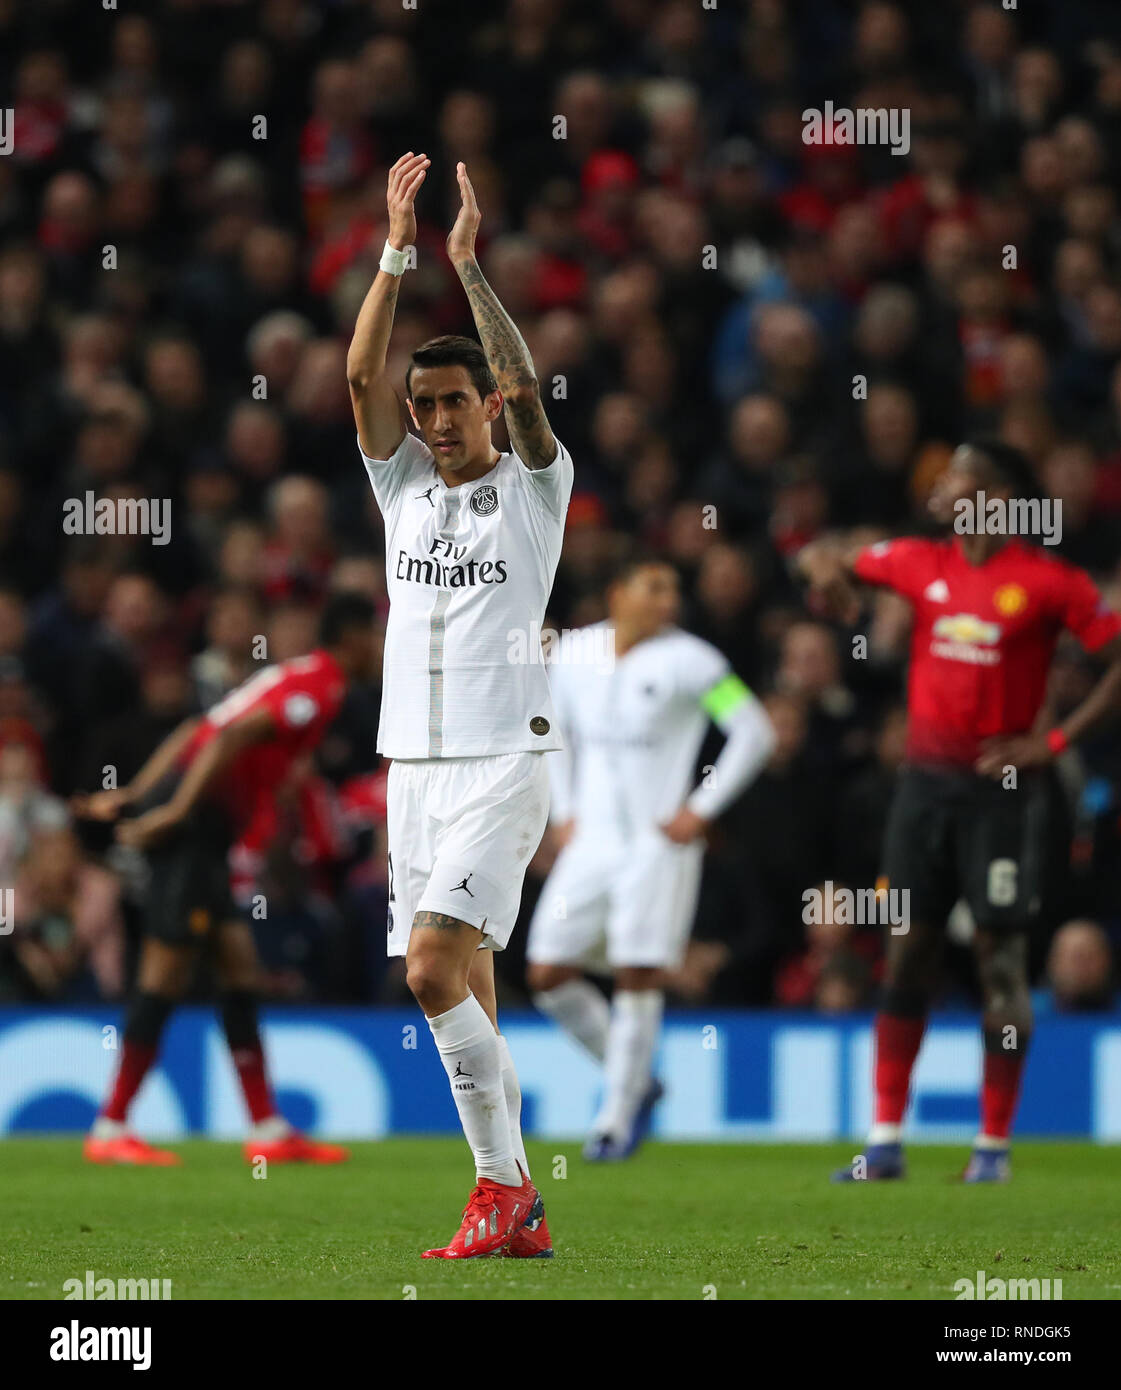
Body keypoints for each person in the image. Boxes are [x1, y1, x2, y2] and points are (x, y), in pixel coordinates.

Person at [346, 154, 572, 1257]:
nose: (436, 419)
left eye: (450, 401)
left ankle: (496, 1186)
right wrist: (392, 255)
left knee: (429, 972)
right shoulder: (398, 491)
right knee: (468, 988)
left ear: (479, 403)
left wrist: (465, 267)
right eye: (421, 404)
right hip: (412, 771)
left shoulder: (531, 491)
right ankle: (519, 1203)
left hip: (500, 759)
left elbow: (529, 396)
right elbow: (354, 384)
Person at [799, 438, 1121, 1182]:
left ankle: (993, 1147)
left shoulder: (1047, 583)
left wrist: (1054, 741)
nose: (940, 488)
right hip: (922, 792)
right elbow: (822, 556)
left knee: (999, 962)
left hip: (999, 797)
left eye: (957, 480)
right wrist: (828, 580)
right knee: (907, 951)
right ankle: (882, 1141)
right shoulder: (918, 562)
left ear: (998, 499)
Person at [73, 592, 378, 1166]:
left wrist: (138, 793)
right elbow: (228, 738)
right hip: (195, 832)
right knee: (165, 975)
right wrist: (174, 811)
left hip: (206, 833)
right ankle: (110, 1128)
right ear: (355, 638)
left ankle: (266, 1127)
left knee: (240, 970)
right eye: (377, 636)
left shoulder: (296, 675)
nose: (383, 649)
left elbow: (199, 724)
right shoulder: (320, 688)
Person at [525, 557, 775, 1158]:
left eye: (673, 589)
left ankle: (612, 1121)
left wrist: (701, 808)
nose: (667, 600)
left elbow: (755, 730)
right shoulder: (573, 653)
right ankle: (636, 1081)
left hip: (655, 846)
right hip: (590, 842)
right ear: (618, 591)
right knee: (547, 971)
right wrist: (564, 813)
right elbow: (550, 726)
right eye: (654, 587)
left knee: (638, 972)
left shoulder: (695, 661)